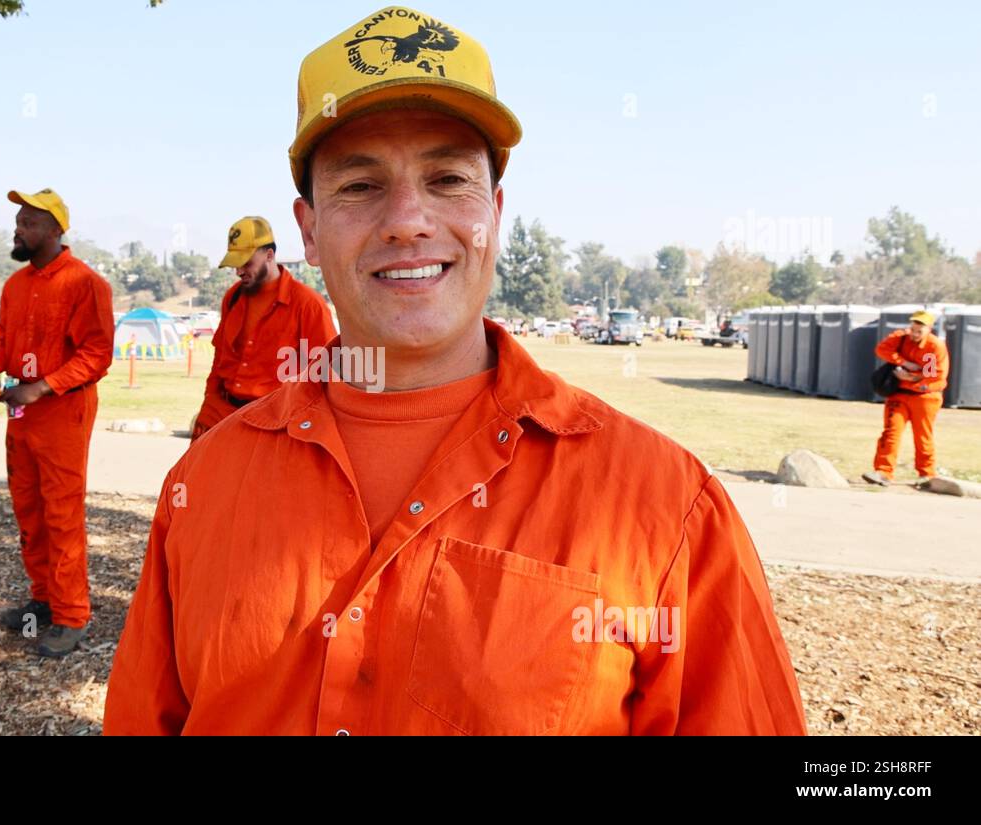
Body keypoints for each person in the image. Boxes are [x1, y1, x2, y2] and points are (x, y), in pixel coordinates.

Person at [103, 6, 805, 735]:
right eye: (360, 185)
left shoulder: (664, 507)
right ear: (308, 229)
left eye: (446, 179)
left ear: (493, 214)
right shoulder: (203, 487)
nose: (408, 219)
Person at [0, 188, 114, 658]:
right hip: (20, 409)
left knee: (61, 513)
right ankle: (44, 600)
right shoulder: (15, 286)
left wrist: (42, 386)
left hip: (61, 410)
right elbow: (2, 340)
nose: (19, 230)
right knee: (28, 510)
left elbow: (97, 354)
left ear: (55, 230)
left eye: (29, 222)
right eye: (18, 221)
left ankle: (72, 614)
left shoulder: (85, 283)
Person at [190, 216, 335, 439]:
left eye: (246, 263)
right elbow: (220, 361)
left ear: (269, 255)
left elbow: (326, 373)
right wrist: (209, 406)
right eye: (236, 264)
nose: (239, 271)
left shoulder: (307, 305)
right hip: (223, 416)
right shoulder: (233, 297)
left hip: (275, 426)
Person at [862, 310, 950, 486]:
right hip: (899, 394)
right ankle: (883, 472)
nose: (915, 334)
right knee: (891, 432)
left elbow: (933, 376)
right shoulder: (901, 337)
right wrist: (903, 362)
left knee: (922, 436)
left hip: (924, 396)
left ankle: (927, 474)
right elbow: (882, 349)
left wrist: (913, 378)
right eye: (913, 329)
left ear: (929, 329)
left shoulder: (933, 347)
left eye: (920, 331)